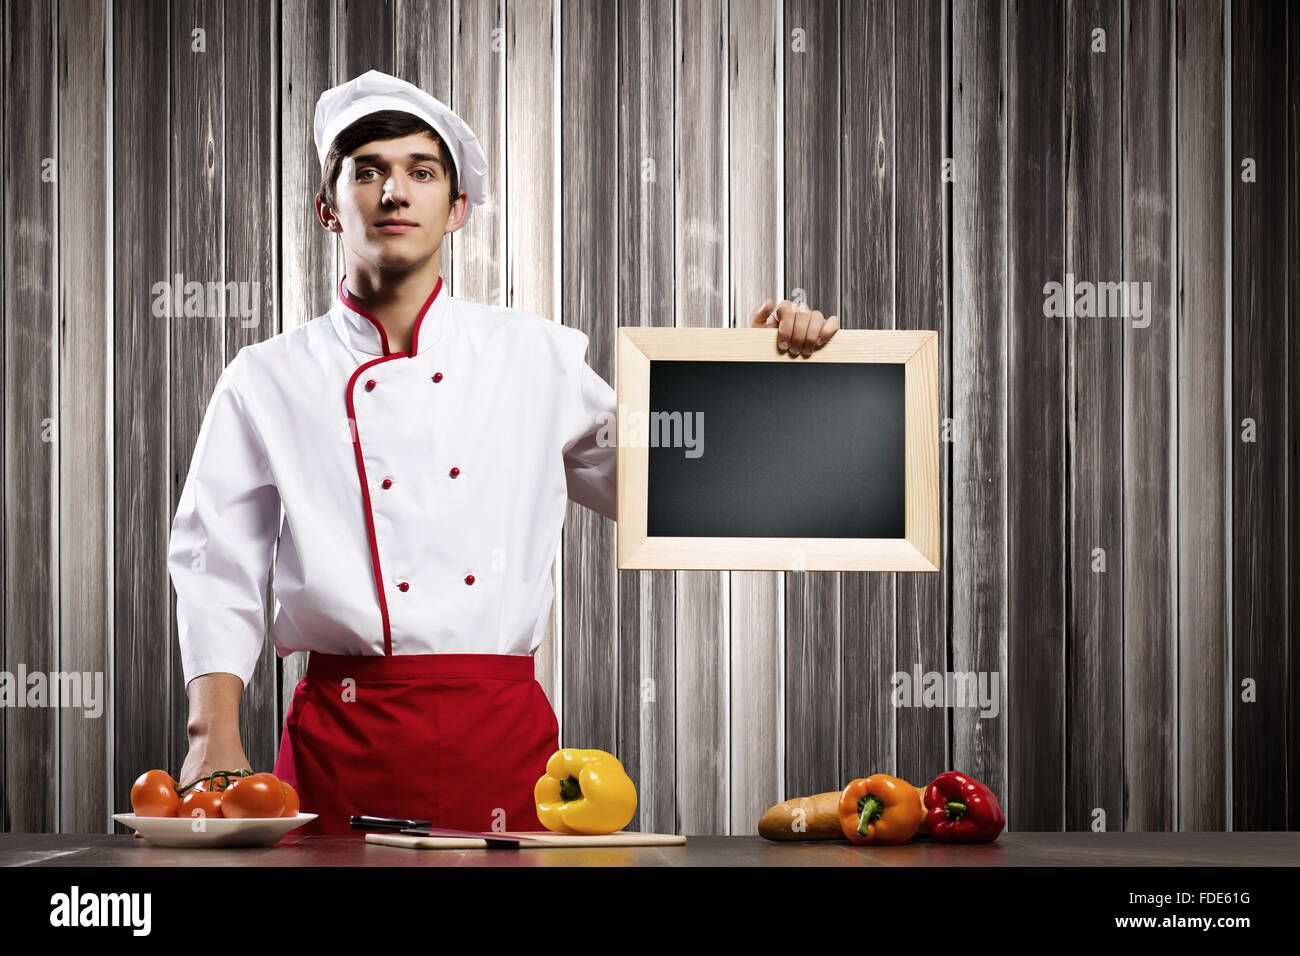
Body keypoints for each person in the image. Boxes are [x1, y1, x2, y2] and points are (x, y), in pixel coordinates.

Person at [169, 69, 838, 835]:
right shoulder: (266, 377)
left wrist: (760, 377)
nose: (395, 194)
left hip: (505, 739)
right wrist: (211, 736)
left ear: (456, 210)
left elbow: (667, 480)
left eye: (421, 173)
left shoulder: (534, 357)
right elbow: (216, 563)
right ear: (328, 209)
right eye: (369, 172)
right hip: (340, 738)